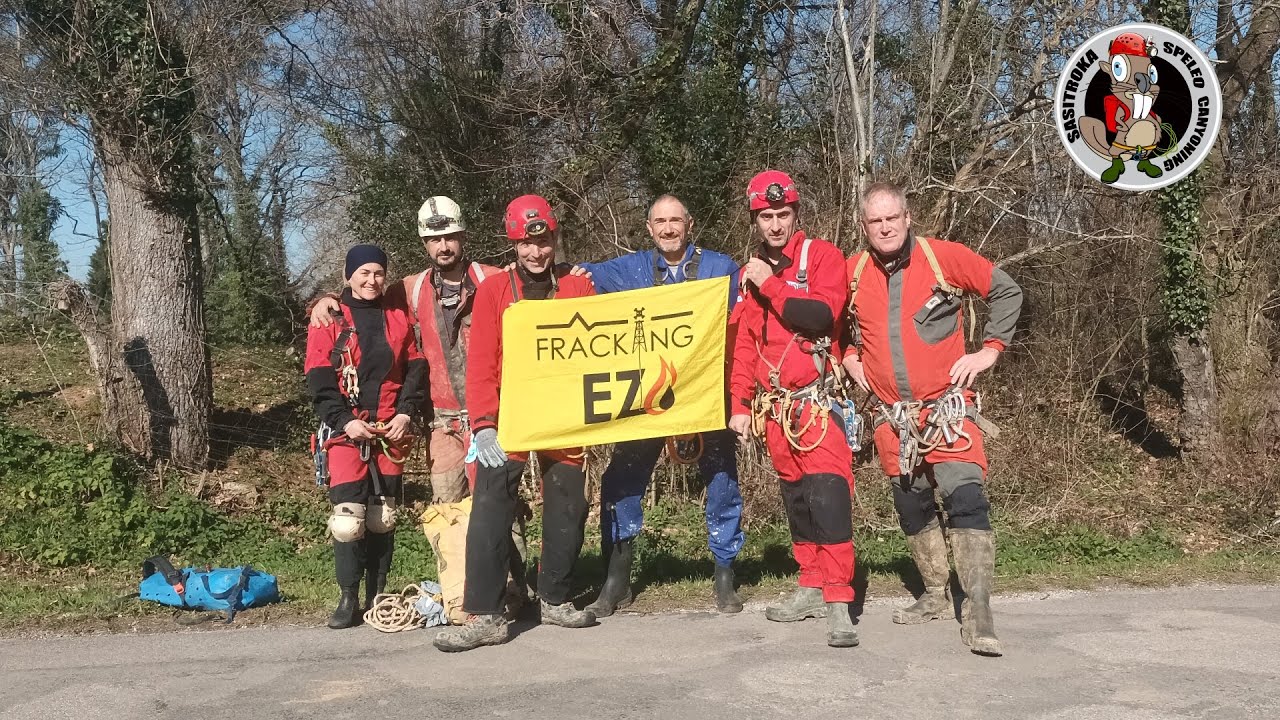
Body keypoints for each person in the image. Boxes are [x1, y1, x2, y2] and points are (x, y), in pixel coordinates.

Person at [842, 181, 1022, 657]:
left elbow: (1006, 290)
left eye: (892, 218)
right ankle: (936, 595)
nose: (885, 227)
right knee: (912, 506)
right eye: (875, 221)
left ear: (908, 218)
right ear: (863, 226)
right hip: (892, 419)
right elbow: (831, 322)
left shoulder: (944, 258)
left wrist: (990, 350)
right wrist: (847, 355)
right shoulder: (852, 272)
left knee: (966, 498)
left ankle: (978, 610)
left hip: (948, 411)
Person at [433, 194, 599, 652]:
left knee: (568, 502)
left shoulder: (578, 287)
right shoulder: (493, 291)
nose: (535, 252)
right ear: (514, 246)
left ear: (554, 240)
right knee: (490, 506)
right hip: (510, 413)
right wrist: (483, 423)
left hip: (564, 413)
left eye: (543, 243)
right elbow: (482, 362)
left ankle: (555, 598)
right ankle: (485, 615)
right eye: (526, 245)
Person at [572, 194, 746, 617]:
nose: (668, 229)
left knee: (722, 479)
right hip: (647, 398)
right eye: (660, 222)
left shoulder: (720, 269)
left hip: (704, 395)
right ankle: (617, 578)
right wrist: (568, 275)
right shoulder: (630, 270)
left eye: (676, 221)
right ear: (649, 228)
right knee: (621, 480)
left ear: (689, 224)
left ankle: (725, 571)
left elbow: (745, 319)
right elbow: (582, 276)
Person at [726, 171, 859, 648]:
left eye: (783, 214)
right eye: (766, 216)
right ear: (754, 220)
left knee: (828, 496)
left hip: (816, 405)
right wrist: (740, 403)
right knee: (797, 500)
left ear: (796, 213)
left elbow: (822, 315)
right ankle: (811, 583)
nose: (776, 225)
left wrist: (773, 286)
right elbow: (746, 342)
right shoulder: (749, 275)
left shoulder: (821, 256)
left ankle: (839, 600)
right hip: (775, 411)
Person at [310, 196, 501, 504]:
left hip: (493, 419)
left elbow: (536, 288)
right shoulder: (410, 290)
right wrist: (326, 300)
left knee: (498, 511)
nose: (443, 246)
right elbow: (365, 298)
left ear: (463, 237)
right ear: (425, 243)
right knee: (448, 514)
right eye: (434, 239)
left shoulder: (494, 280)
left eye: (450, 237)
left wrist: (576, 273)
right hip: (442, 427)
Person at [305, 244, 427, 629]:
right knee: (347, 520)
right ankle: (348, 597)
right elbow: (319, 380)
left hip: (390, 429)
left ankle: (378, 594)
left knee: (382, 517)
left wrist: (406, 412)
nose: (371, 280)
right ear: (348, 275)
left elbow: (415, 368)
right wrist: (344, 421)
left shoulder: (398, 317)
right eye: (363, 273)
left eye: (378, 273)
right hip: (347, 432)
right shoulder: (328, 319)